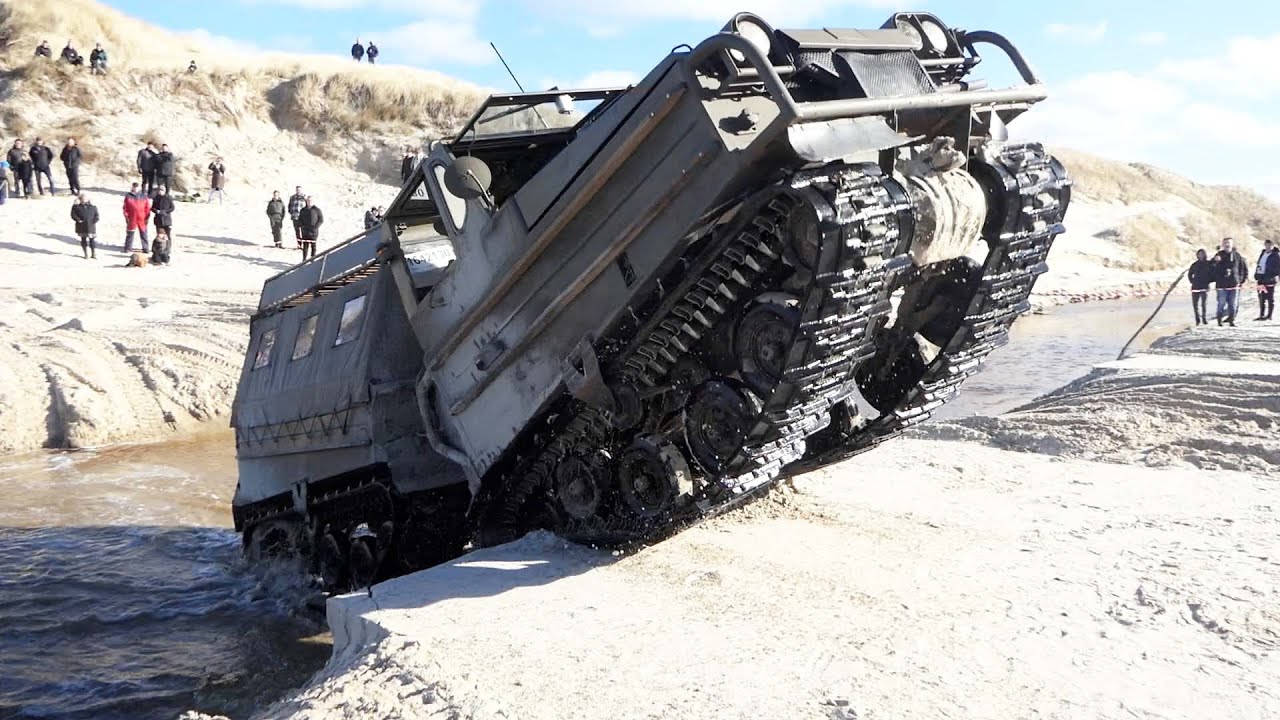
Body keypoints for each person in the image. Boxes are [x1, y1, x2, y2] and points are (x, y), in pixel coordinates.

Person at [1212, 237, 1249, 327]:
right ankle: (1219, 321)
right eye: (1225, 243)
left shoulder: (1237, 256)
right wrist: (1215, 262)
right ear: (1222, 245)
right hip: (1222, 285)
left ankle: (1231, 321)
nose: (1227, 245)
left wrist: (1241, 280)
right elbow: (1211, 269)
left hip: (1234, 284)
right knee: (1221, 303)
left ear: (1232, 245)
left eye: (1228, 243)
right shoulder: (1218, 255)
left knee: (1233, 304)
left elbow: (1243, 268)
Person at [1254, 239, 1280, 321]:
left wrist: (1273, 274)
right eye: (1266, 245)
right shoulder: (1263, 253)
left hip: (1269, 279)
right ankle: (1261, 314)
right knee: (1261, 297)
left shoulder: (1276, 255)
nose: (1268, 247)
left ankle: (1269, 315)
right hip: (1261, 278)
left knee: (1270, 298)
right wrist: (1257, 274)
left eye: (1270, 245)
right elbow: (1259, 264)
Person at [122, 182, 152, 253]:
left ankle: (145, 248)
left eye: (136, 187)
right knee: (130, 233)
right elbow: (125, 208)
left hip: (142, 218)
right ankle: (128, 247)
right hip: (132, 218)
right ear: (132, 187)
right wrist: (127, 217)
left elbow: (147, 208)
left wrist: (147, 217)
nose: (135, 188)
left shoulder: (143, 196)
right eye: (134, 187)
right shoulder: (128, 196)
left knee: (143, 233)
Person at [1187, 248, 1213, 326]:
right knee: (1195, 305)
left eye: (1202, 254)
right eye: (1199, 254)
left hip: (1205, 286)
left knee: (1204, 304)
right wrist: (1192, 281)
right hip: (1195, 287)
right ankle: (1197, 320)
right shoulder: (1194, 264)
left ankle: (1204, 319)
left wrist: (1209, 281)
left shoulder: (1208, 263)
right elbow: (1189, 274)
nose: (1200, 255)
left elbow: (1213, 273)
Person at [70, 194, 100, 259]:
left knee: (92, 240)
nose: (84, 200)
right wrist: (78, 220)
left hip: (91, 226)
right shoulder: (76, 207)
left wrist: (94, 221)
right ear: (80, 199)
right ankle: (86, 254)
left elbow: (97, 215)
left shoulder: (93, 207)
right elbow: (73, 214)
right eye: (82, 199)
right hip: (82, 226)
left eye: (85, 199)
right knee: (83, 240)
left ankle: (93, 254)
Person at [297, 196, 324, 261]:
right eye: (308, 201)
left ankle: (313, 259)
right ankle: (304, 259)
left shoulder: (317, 210)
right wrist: (302, 226)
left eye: (311, 201)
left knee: (313, 246)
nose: (309, 202)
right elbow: (299, 219)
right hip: (305, 231)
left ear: (313, 201)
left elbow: (321, 219)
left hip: (313, 231)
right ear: (306, 201)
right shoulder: (303, 210)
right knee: (305, 246)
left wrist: (316, 227)